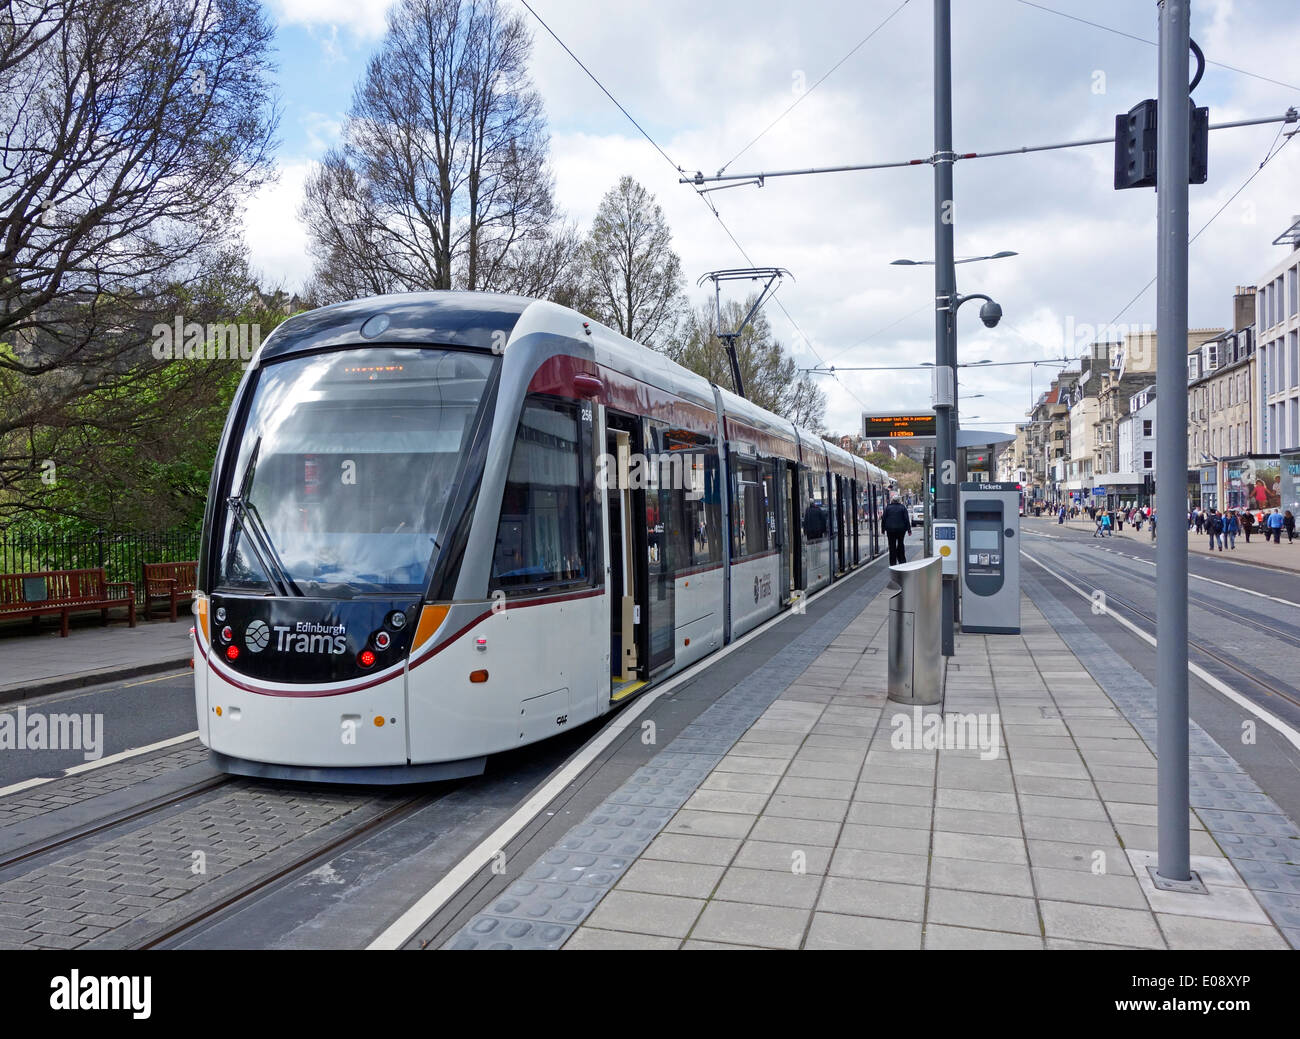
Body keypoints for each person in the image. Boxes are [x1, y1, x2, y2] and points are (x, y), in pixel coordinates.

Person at [881, 494, 912, 565]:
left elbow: (884, 519)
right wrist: (909, 530)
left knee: (892, 546)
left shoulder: (887, 508)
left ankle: (892, 562)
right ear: (899, 500)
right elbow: (906, 519)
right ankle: (902, 560)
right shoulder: (903, 508)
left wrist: (883, 529)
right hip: (901, 530)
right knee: (900, 544)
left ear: (892, 500)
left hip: (890, 530)